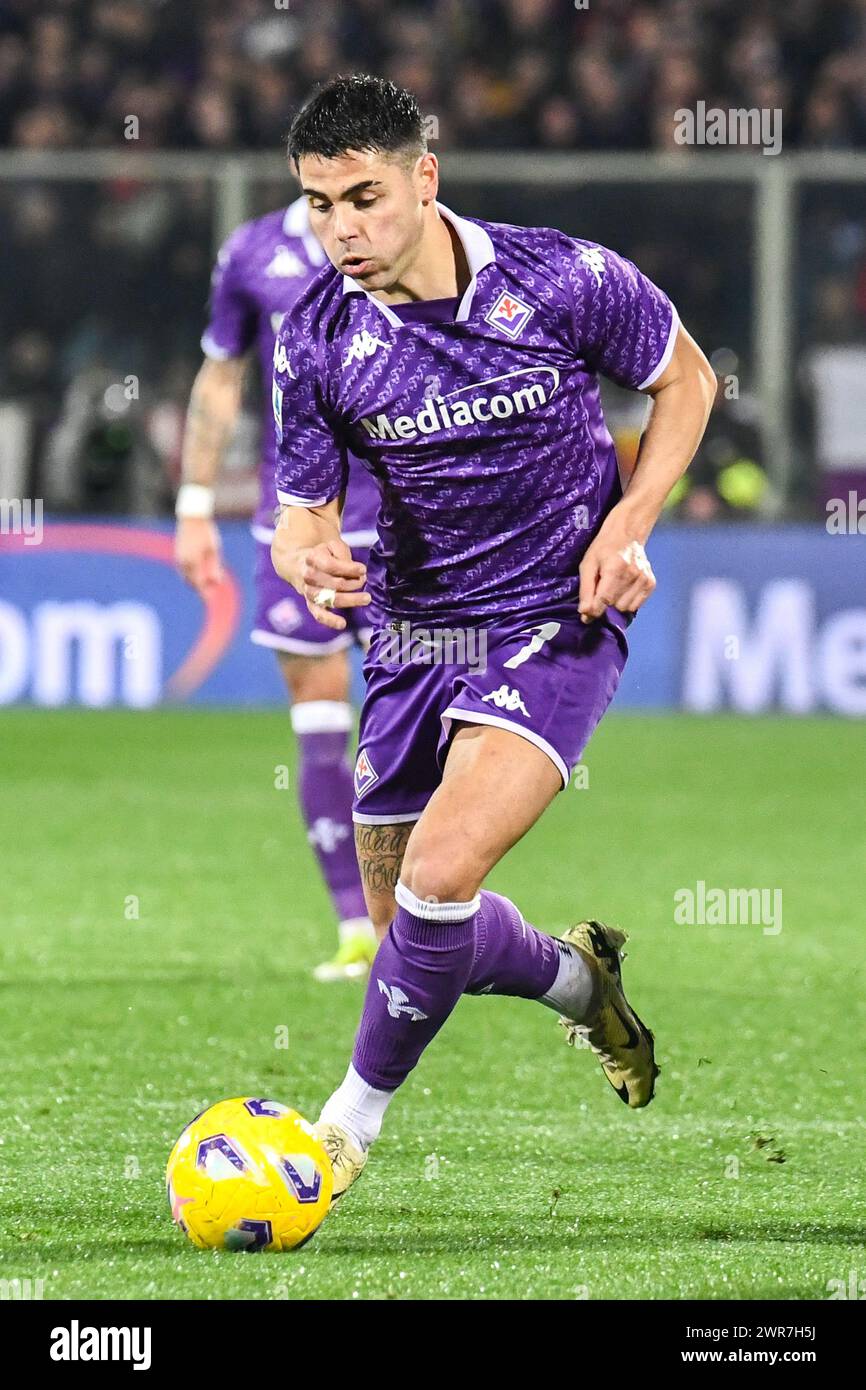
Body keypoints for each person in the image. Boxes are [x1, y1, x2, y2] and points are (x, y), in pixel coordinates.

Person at [270, 75, 715, 1199]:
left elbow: (687, 380)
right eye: (320, 205)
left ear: (425, 176)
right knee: (417, 931)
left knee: (437, 875)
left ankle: (342, 1129)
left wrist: (629, 518)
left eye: (363, 197)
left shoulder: (559, 276)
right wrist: (303, 553)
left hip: (551, 621)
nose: (342, 230)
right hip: (412, 642)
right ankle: (581, 986)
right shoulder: (314, 337)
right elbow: (300, 514)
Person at [175, 193, 380, 982]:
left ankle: (429, 920)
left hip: (408, 524)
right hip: (294, 526)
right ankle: (358, 928)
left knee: (425, 723)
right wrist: (195, 508)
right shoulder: (253, 254)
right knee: (322, 723)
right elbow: (222, 377)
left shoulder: (417, 238)